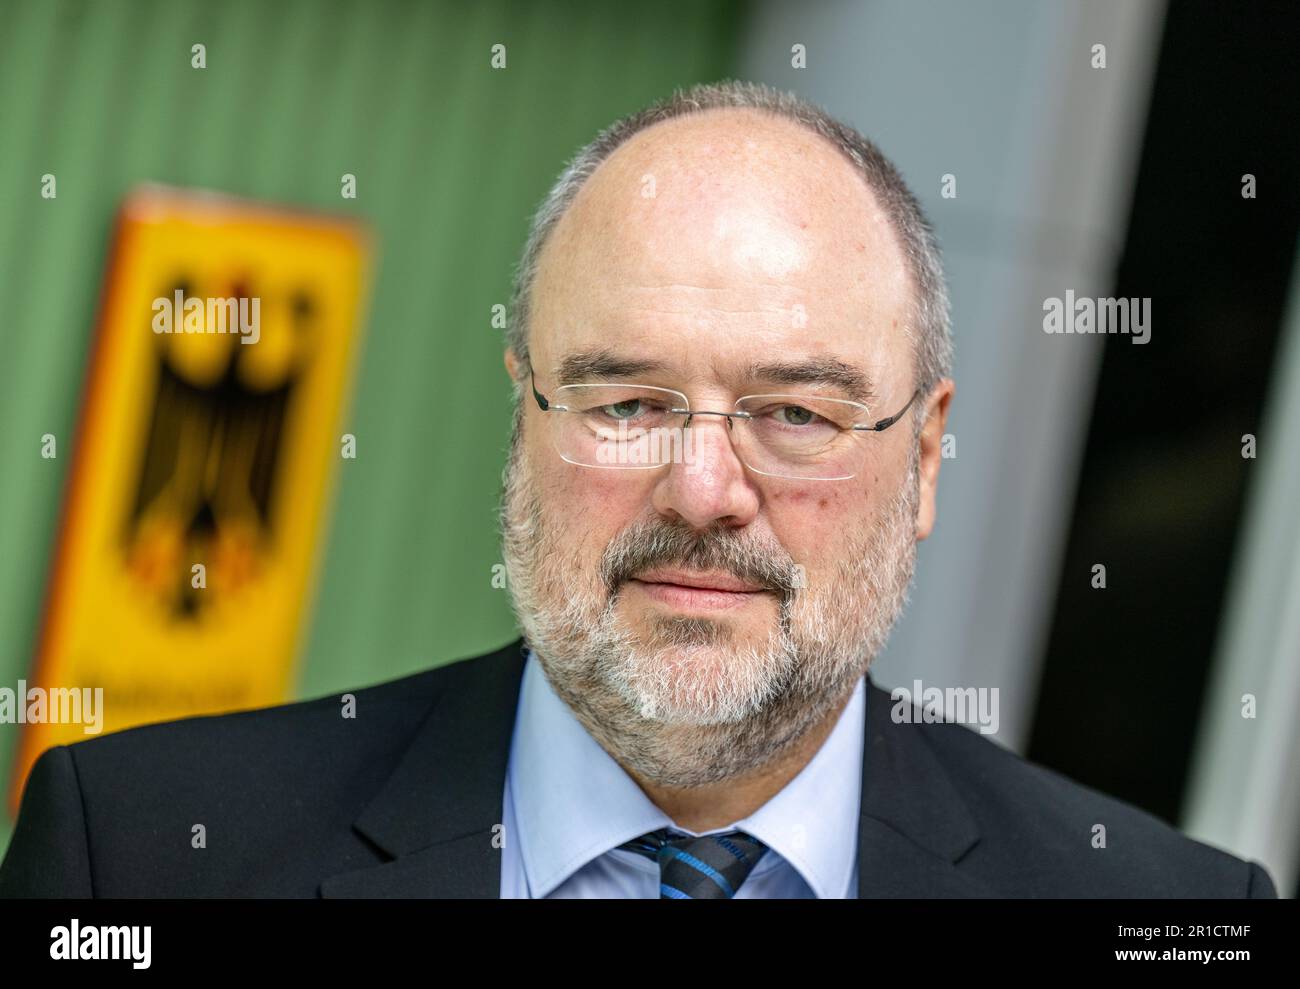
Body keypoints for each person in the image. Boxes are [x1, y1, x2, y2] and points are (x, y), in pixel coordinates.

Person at [0, 81, 1277, 899]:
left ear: (925, 455)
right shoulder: (143, 855)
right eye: (627, 402)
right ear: (524, 412)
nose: (705, 487)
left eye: (794, 412)